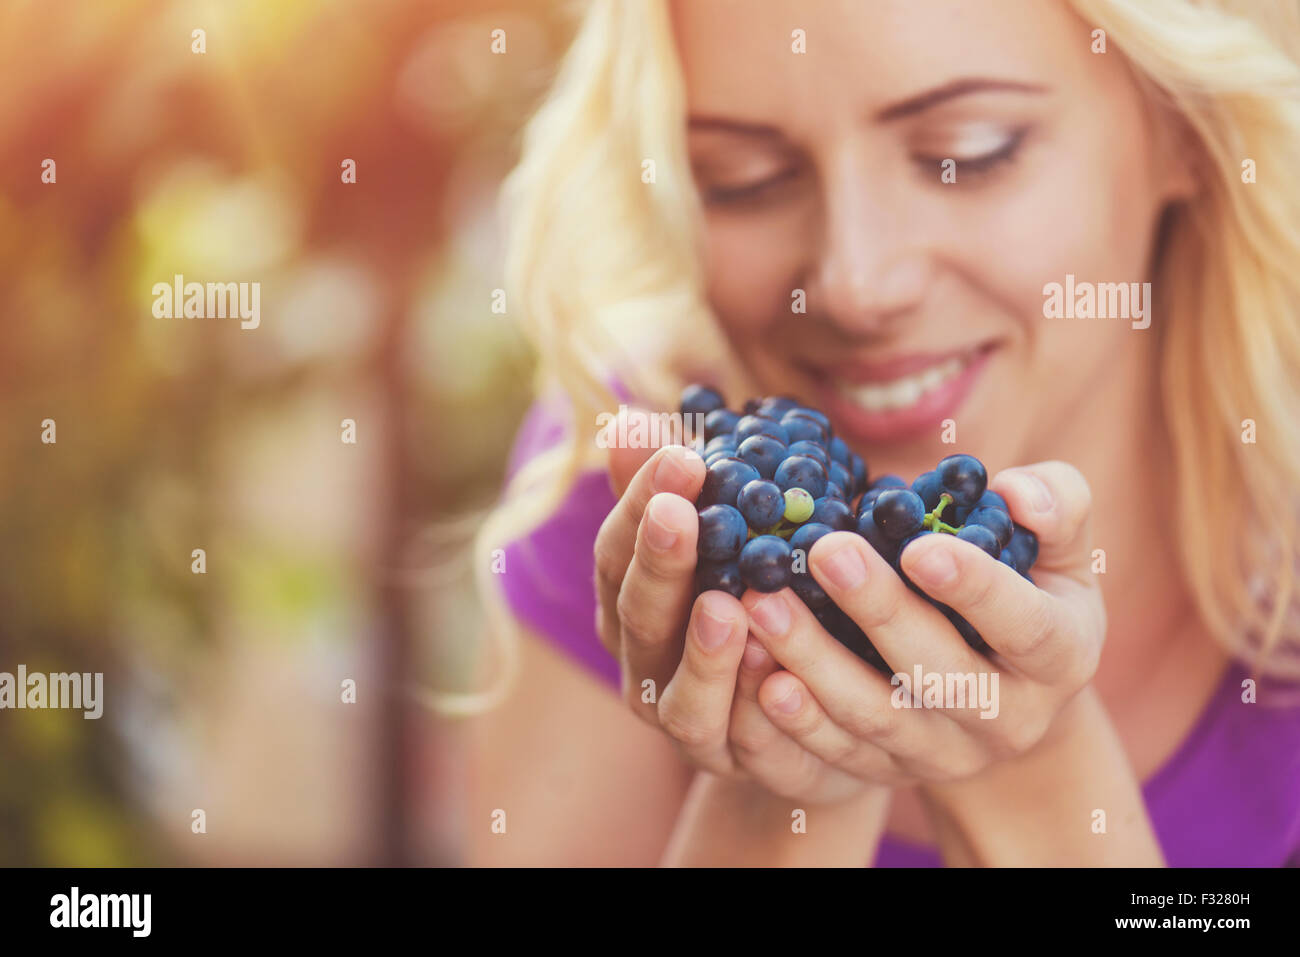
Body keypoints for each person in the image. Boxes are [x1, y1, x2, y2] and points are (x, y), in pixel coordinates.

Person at [463, 0, 1300, 866]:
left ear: (1186, 130)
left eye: (964, 156)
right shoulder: (635, 472)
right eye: (740, 177)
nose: (854, 283)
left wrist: (1034, 769)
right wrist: (782, 784)